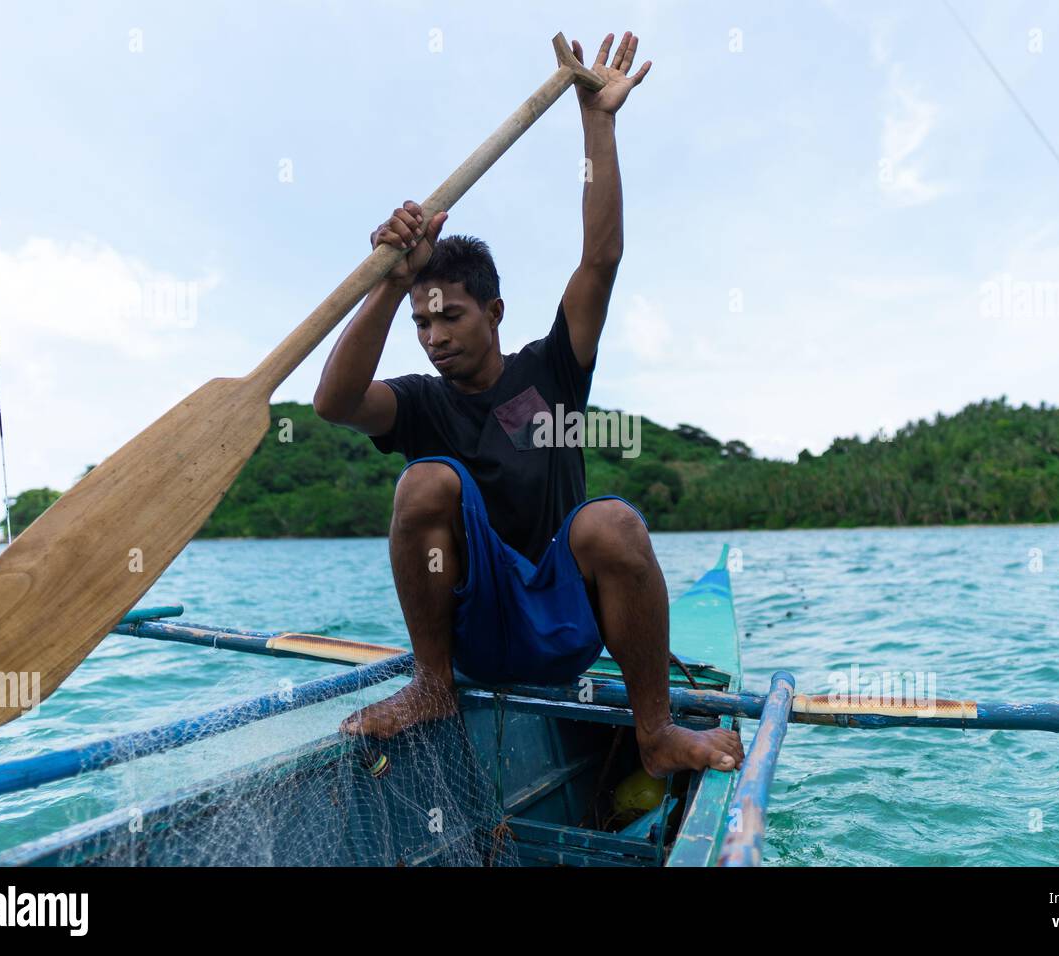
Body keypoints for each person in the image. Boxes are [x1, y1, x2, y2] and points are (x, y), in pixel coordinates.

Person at [314, 32, 742, 777]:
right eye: (422, 322)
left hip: (564, 623)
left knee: (613, 521)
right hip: (475, 628)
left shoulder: (552, 370)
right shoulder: (420, 404)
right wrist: (390, 282)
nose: (434, 337)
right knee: (424, 482)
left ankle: (656, 732)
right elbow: (334, 401)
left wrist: (597, 123)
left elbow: (600, 259)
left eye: (450, 317)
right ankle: (432, 688)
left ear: (495, 312)